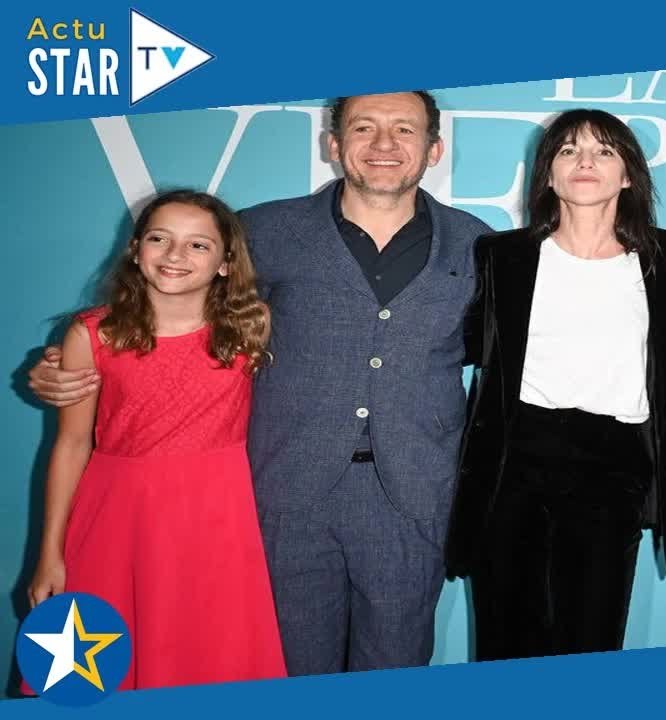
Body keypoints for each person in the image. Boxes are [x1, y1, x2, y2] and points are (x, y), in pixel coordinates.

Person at [28, 91, 493, 674]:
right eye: (363, 127)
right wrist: (72, 365)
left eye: (404, 130)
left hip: (410, 498)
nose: (383, 144)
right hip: (282, 494)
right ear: (333, 144)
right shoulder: (264, 232)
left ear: (434, 148)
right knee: (288, 667)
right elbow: (179, 320)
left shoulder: (478, 245)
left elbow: (503, 357)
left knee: (396, 668)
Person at [444, 109, 666, 660]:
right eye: (568, 150)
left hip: (615, 468)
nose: (585, 162)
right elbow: (457, 345)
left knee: (592, 639)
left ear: (628, 175)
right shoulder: (501, 257)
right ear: (547, 174)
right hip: (514, 463)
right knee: (505, 640)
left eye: (604, 151)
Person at [25, 190, 285, 690]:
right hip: (116, 523)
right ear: (135, 249)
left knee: (210, 657)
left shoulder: (251, 329)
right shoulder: (93, 335)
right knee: (97, 670)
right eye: (160, 238)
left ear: (227, 263)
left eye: (198, 246)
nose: (174, 256)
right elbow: (71, 446)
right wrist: (50, 553)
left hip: (218, 525)